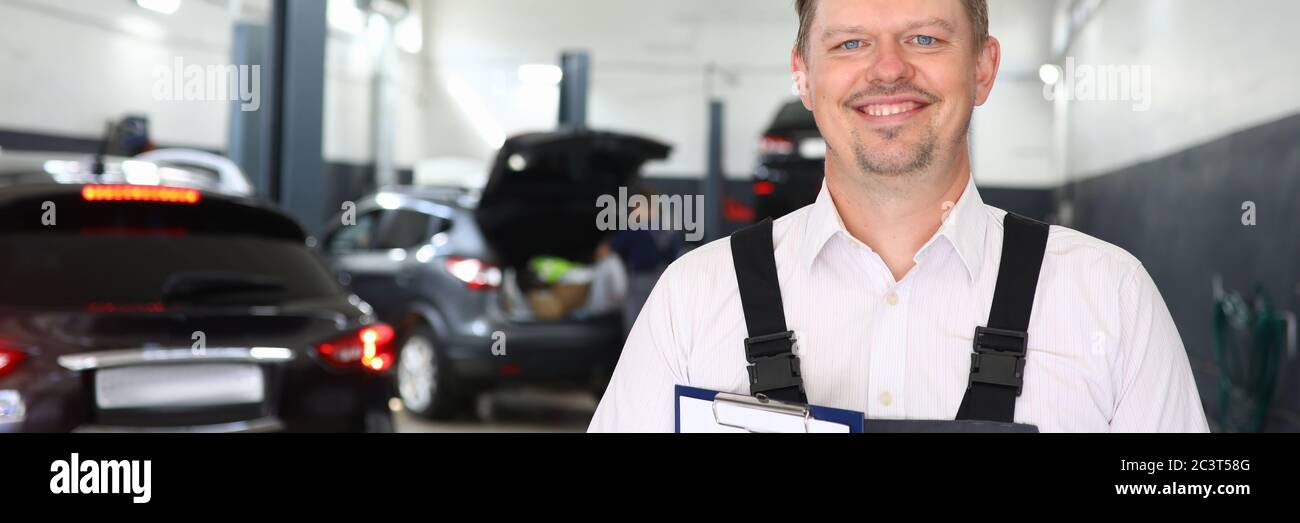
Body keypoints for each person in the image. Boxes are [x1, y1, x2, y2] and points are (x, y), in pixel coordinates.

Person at [588, 0, 1208, 432]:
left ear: (984, 67)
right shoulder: (694, 301)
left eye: (925, 38)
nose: (887, 69)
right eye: (851, 43)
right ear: (804, 75)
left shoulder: (1110, 296)